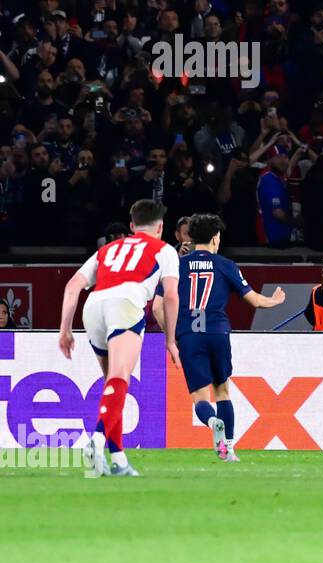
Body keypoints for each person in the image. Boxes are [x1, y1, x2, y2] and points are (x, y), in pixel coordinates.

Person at [58, 199, 180, 478]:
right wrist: (170, 339)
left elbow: (73, 285)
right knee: (120, 379)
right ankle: (97, 440)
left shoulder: (107, 249)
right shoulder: (165, 250)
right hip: (126, 303)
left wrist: (65, 328)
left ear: (132, 226)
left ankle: (119, 459)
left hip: (94, 306)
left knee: (112, 386)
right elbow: (171, 296)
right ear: (160, 227)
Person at [151, 214, 286, 462]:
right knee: (222, 391)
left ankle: (213, 422)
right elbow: (255, 300)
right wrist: (275, 301)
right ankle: (229, 450)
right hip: (217, 332)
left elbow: (157, 307)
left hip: (189, 335)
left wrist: (171, 335)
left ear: (191, 238)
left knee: (200, 398)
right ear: (215, 238)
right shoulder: (225, 265)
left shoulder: (177, 266)